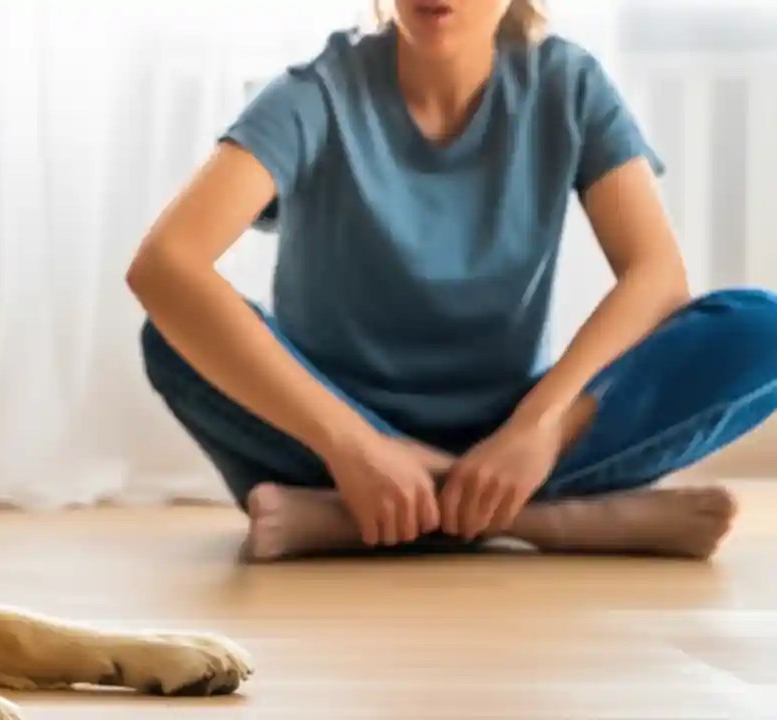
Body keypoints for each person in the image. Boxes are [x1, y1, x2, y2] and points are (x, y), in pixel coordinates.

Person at [126, 0, 777, 562]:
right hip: (338, 438)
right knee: (173, 338)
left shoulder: (567, 83)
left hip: (509, 434)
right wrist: (353, 443)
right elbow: (165, 265)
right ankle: (542, 521)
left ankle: (365, 521)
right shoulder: (311, 95)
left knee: (761, 327)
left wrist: (539, 427)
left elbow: (657, 275)